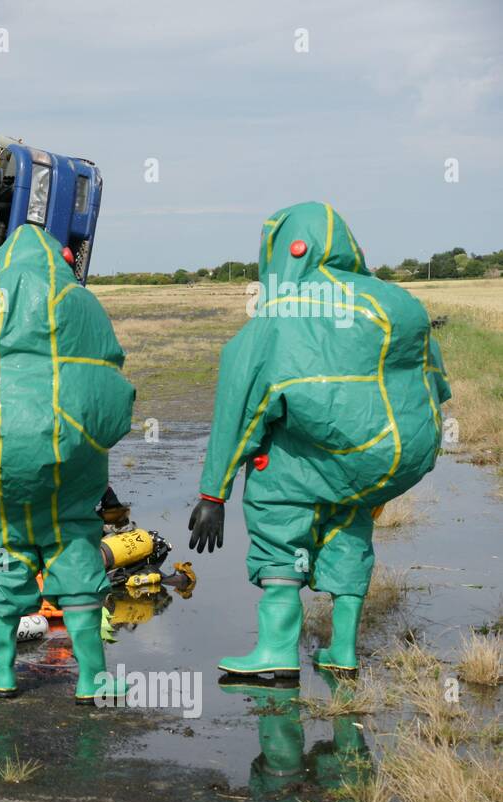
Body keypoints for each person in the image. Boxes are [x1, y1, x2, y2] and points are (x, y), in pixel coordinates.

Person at [189, 202, 451, 676]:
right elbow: (435, 384)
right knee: (350, 534)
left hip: (298, 468)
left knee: (280, 520)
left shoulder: (279, 315)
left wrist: (214, 491)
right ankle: (343, 650)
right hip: (373, 463)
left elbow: (241, 403)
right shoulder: (398, 303)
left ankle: (276, 650)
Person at [0, 224, 135, 701]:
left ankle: (4, 671)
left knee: (1, 548)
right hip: (68, 466)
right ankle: (93, 677)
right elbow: (112, 383)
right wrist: (93, 438)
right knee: (74, 545)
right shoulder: (84, 307)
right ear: (62, 262)